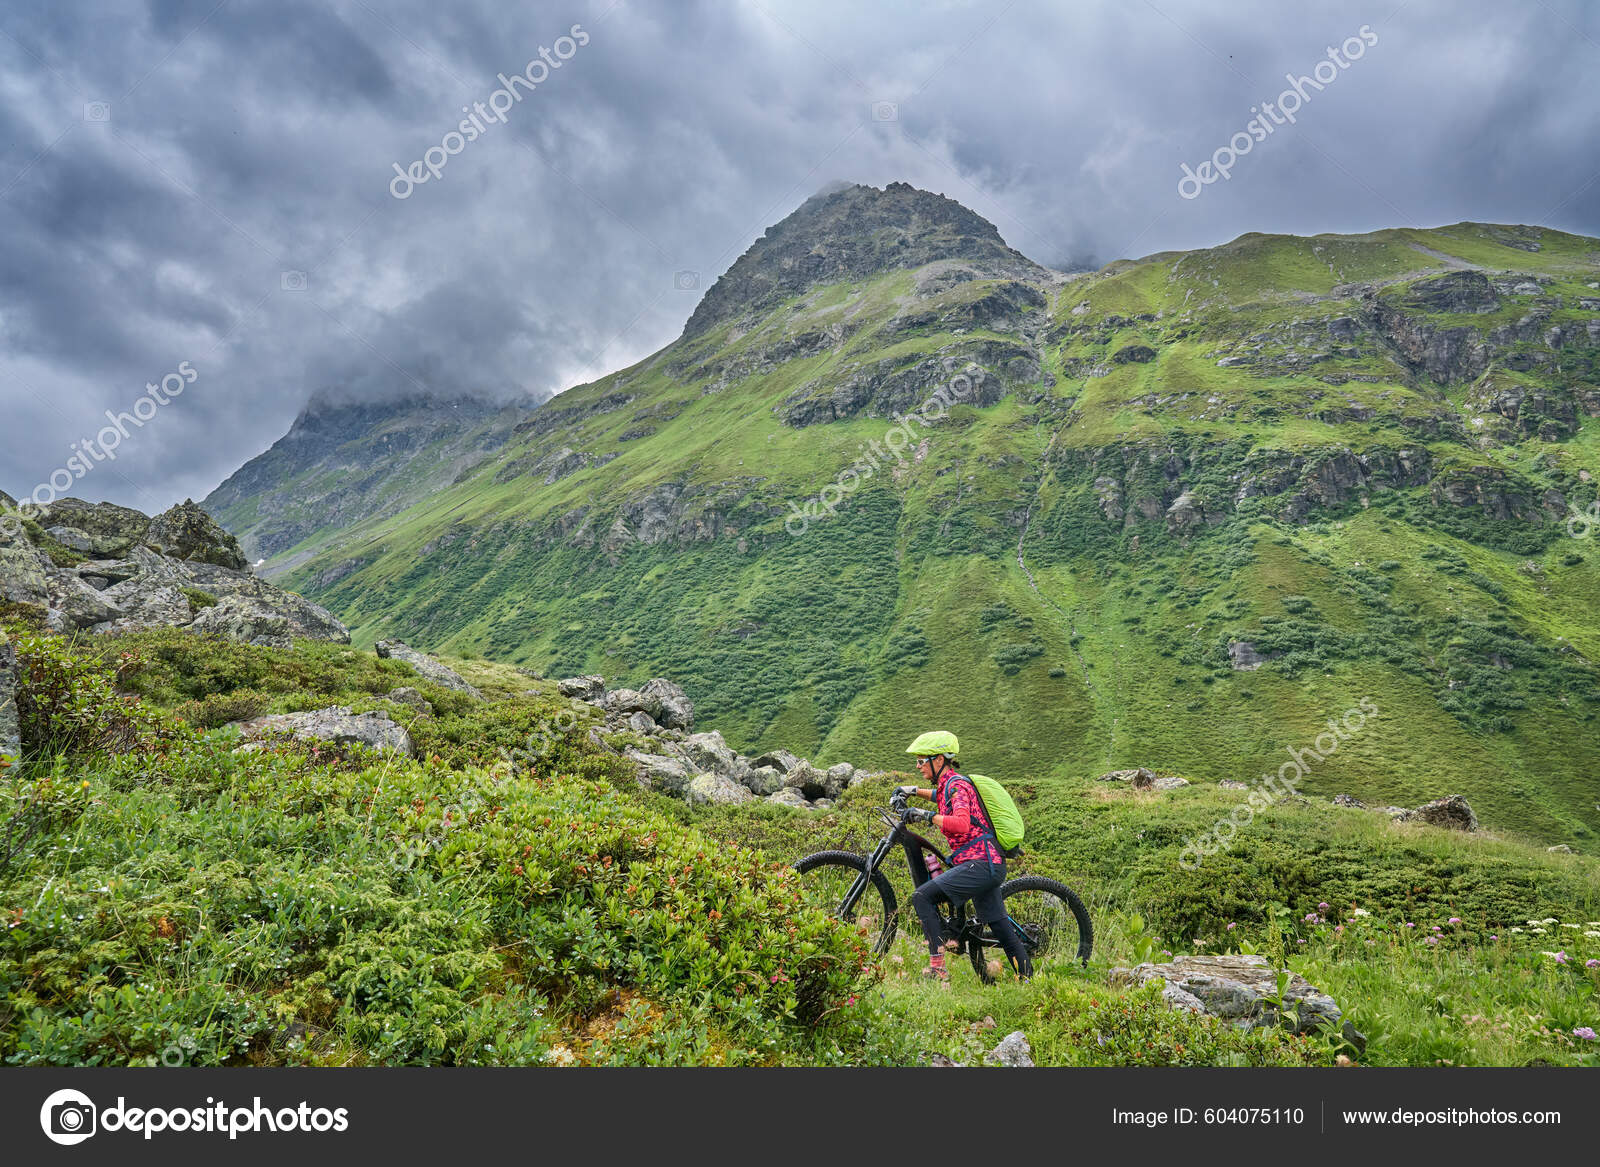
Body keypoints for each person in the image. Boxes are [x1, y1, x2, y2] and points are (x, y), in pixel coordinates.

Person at [897, 731, 1032, 984]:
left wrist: (925, 816)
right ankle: (1028, 979)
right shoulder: (950, 784)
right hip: (987, 863)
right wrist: (911, 790)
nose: (917, 766)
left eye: (921, 760)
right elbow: (942, 796)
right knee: (1000, 925)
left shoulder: (957, 785)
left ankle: (938, 971)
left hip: (980, 863)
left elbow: (960, 823)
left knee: (922, 897)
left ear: (938, 760)